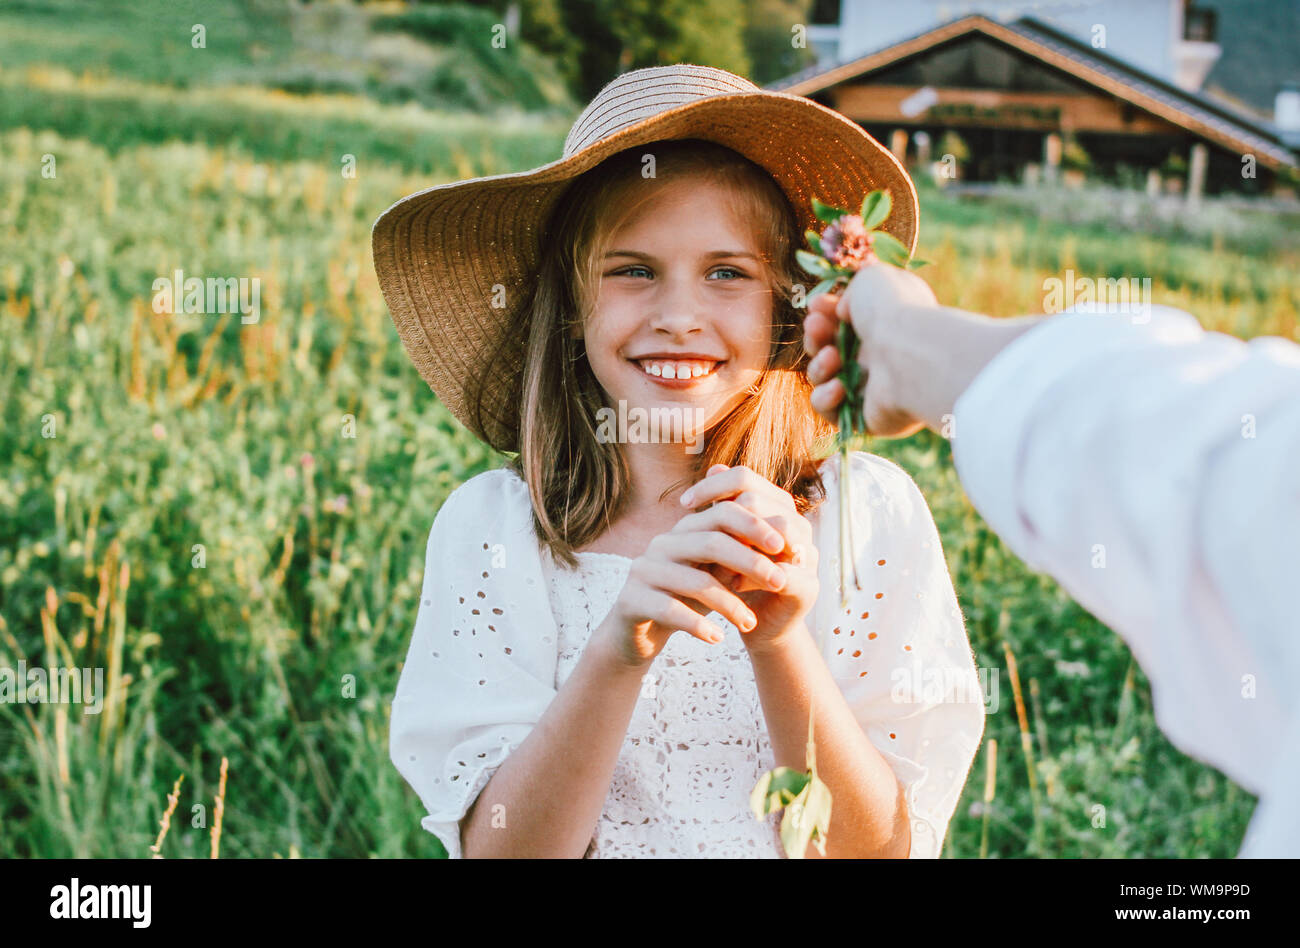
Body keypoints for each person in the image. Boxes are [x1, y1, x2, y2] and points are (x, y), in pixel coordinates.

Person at [371, 64, 986, 858]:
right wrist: (618, 647)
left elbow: (878, 850)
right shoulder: (497, 532)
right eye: (633, 271)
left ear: (786, 309)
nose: (679, 317)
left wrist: (779, 642)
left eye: (728, 273)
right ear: (570, 308)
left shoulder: (863, 519)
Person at [802, 262, 1300, 858]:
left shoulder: (862, 511)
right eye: (650, 269)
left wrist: (909, 339)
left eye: (727, 273)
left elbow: (1212, 474)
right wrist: (907, 337)